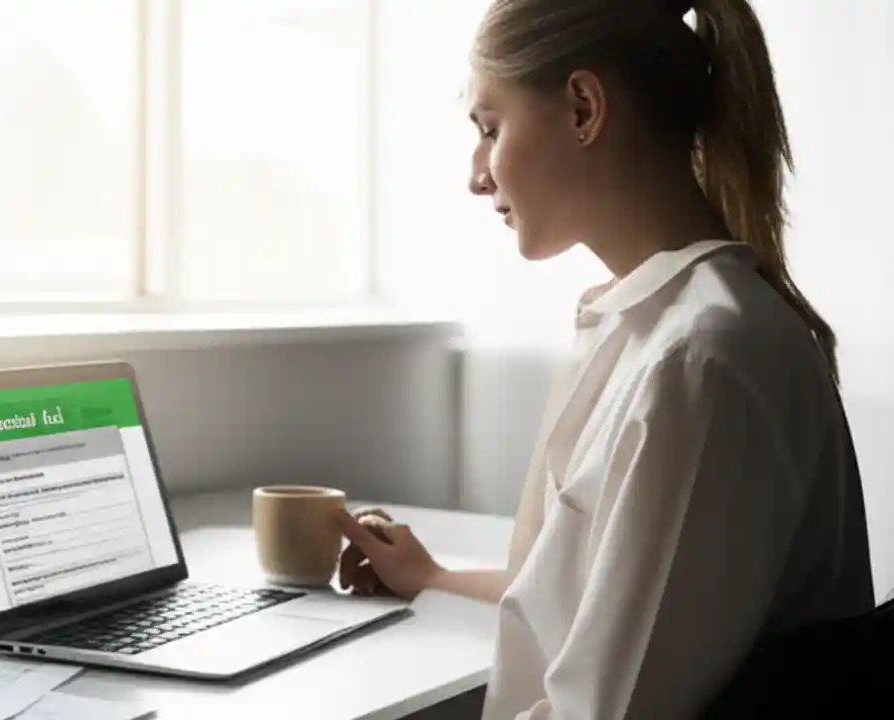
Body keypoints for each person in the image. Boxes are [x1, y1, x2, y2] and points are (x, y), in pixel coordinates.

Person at [337, 0, 875, 717]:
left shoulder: (696, 361)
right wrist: (431, 573)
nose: (477, 174)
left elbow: (609, 705)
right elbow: (599, 603)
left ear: (585, 108)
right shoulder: (656, 329)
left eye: (490, 129)